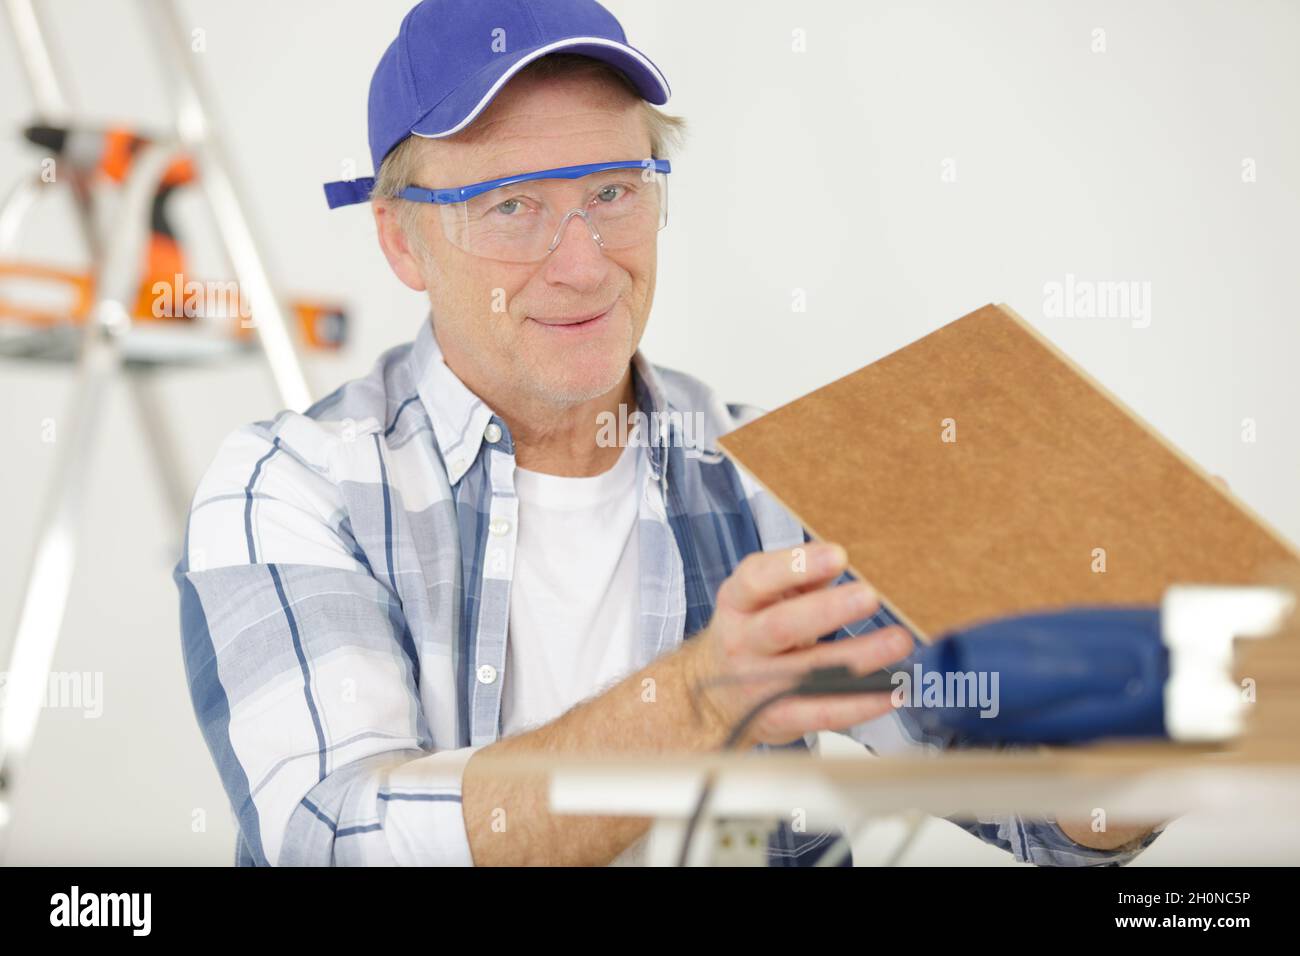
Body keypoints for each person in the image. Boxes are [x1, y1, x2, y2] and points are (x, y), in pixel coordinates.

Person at [175, 0, 1161, 866]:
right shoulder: (295, 487)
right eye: (512, 207)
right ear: (402, 238)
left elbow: (1035, 807)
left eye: (612, 192)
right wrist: (700, 694)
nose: (583, 264)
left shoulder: (781, 478)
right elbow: (334, 837)